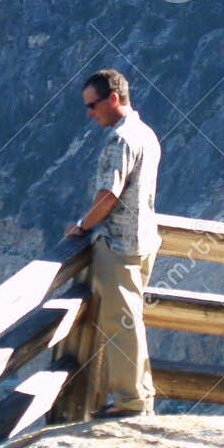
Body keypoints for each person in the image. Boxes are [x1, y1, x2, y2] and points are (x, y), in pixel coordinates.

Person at [65, 68, 162, 418]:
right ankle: (141, 397)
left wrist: (81, 225)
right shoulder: (147, 134)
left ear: (114, 99)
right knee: (132, 320)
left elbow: (108, 196)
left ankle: (130, 405)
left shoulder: (120, 139)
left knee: (121, 325)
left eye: (92, 105)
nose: (90, 113)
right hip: (144, 241)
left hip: (119, 244)